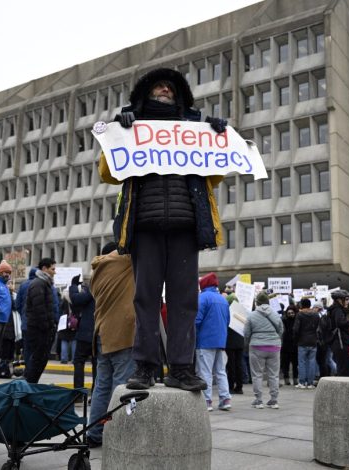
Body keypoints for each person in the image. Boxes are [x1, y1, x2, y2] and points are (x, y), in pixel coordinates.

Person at [99, 67, 227, 391]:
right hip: (145, 227)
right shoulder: (129, 125)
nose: (165, 90)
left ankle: (182, 368)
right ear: (146, 93)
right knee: (145, 298)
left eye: (170, 87)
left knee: (185, 300)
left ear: (179, 94)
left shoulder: (195, 127)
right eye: (158, 86)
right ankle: (145, 367)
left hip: (185, 226)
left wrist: (218, 138)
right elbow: (108, 173)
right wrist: (117, 132)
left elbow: (215, 176)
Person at [85, 242, 136, 448]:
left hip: (102, 334)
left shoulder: (97, 271)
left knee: (102, 386)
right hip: (122, 334)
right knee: (121, 385)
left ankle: (94, 433)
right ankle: (116, 433)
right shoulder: (124, 262)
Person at [194, 273, 231, 411]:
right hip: (220, 341)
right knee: (221, 371)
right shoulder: (223, 300)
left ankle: (207, 401)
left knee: (205, 372)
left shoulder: (202, 298)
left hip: (205, 341)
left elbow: (197, 321)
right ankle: (225, 399)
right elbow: (227, 321)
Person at [244, 291, 284, 409]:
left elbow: (246, 333)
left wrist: (248, 344)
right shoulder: (275, 314)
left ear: (257, 303)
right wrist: (275, 339)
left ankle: (258, 400)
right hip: (274, 346)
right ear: (268, 302)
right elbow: (281, 330)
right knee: (274, 375)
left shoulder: (251, 315)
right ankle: (274, 400)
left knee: (257, 374)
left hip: (257, 346)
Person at [25, 258, 57, 383]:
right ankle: (30, 387)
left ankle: (32, 386)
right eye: (52, 269)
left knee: (40, 360)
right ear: (44, 269)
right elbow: (39, 309)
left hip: (43, 330)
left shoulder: (45, 283)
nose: (54, 272)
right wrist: (47, 327)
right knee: (37, 360)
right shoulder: (38, 284)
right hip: (39, 330)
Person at [69, 276, 96, 393]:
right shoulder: (107, 289)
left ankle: (78, 392)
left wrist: (73, 285)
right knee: (98, 364)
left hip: (87, 333)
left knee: (79, 361)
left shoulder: (93, 290)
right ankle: (96, 393)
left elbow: (75, 299)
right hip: (98, 333)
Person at [328, 289, 349, 377]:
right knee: (344, 368)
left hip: (338, 342)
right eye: (346, 299)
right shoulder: (338, 310)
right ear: (339, 300)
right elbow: (340, 323)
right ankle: (343, 389)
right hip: (341, 342)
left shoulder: (334, 309)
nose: (347, 301)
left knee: (342, 367)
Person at [293, 298, 319, 389]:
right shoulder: (316, 315)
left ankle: (302, 382)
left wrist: (296, 339)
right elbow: (317, 327)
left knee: (302, 362)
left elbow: (296, 329)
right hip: (313, 341)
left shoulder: (300, 315)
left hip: (302, 341)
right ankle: (310, 383)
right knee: (312, 362)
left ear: (301, 305)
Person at [280, 304, 298, 386]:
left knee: (295, 363)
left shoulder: (297, 320)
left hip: (294, 344)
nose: (291, 314)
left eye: (292, 313)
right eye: (289, 313)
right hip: (286, 344)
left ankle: (295, 378)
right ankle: (286, 378)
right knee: (285, 363)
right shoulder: (284, 320)